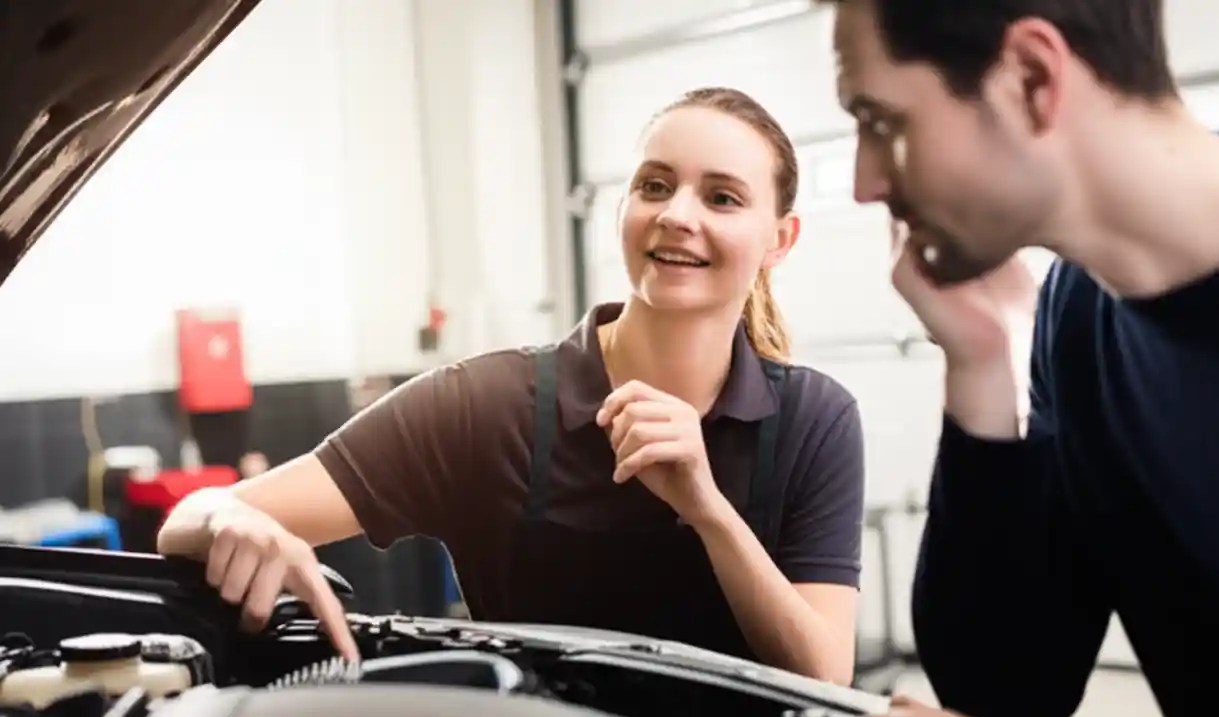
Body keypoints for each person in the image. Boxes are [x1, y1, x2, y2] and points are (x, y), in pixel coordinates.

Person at [158, 86, 867, 685]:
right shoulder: (485, 406)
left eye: (721, 197)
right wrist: (231, 519)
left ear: (781, 239)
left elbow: (822, 674)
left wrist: (708, 510)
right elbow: (191, 520)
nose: (679, 214)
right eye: (655, 185)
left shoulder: (814, 420)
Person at [822, 0, 1219, 717]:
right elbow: (1006, 690)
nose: (865, 183)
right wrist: (978, 370)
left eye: (882, 123)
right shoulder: (1080, 311)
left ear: (1031, 78)